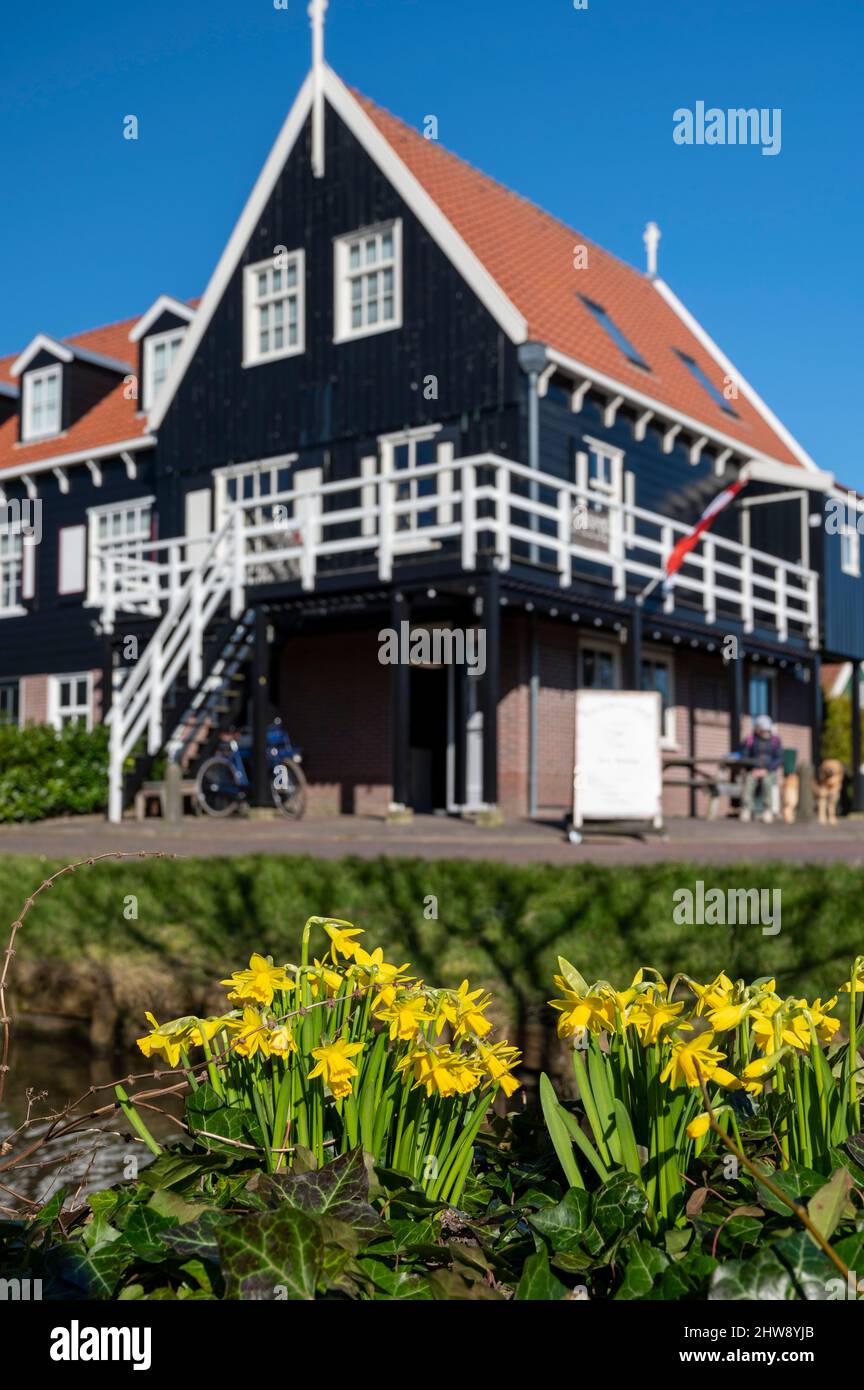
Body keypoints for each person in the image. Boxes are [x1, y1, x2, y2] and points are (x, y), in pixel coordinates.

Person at [739, 715, 784, 824]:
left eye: (767, 730)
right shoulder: (750, 740)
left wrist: (767, 769)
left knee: (767, 781)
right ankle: (747, 809)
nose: (765, 732)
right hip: (754, 770)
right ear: (757, 729)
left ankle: (767, 810)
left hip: (769, 772)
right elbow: (744, 757)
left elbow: (779, 758)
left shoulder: (775, 741)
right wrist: (753, 768)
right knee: (749, 780)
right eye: (763, 730)